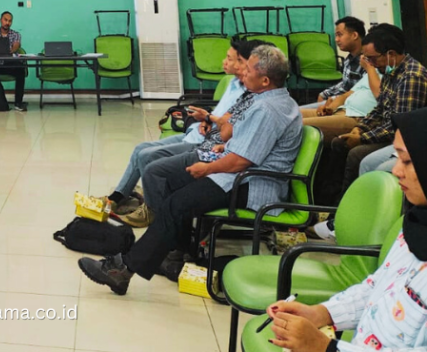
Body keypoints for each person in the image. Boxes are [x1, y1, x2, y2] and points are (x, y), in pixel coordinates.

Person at [78, 45, 302, 295]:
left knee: (176, 203)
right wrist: (221, 147)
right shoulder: (272, 99)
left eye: (248, 70)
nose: (242, 72)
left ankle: (123, 270)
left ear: (265, 79)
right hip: (238, 172)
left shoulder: (267, 109)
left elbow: (240, 161)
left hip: (251, 184)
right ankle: (173, 252)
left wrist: (207, 168)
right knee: (168, 182)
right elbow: (243, 143)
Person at [262, 107, 427, 352]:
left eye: (407, 161)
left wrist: (325, 348)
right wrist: (321, 313)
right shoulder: (418, 225)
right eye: (397, 158)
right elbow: (378, 287)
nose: (396, 171)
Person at [108, 40, 259, 228]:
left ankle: (152, 209)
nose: (223, 62)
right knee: (141, 149)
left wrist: (210, 119)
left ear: (244, 63)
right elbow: (224, 116)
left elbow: (230, 128)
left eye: (229, 59)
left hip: (208, 142)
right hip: (199, 133)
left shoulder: (251, 94)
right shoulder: (233, 84)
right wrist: (206, 119)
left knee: (148, 157)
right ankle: (119, 197)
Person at [319, 24, 427, 206]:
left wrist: (363, 138)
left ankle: (352, 209)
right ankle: (331, 203)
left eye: (372, 59)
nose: (370, 64)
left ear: (390, 54)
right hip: (387, 132)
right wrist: (359, 129)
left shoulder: (411, 76)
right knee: (339, 143)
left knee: (358, 155)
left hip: (404, 140)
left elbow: (401, 126)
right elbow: (379, 109)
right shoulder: (391, 71)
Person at [305, 16, 368, 107]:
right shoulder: (349, 59)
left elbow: (364, 92)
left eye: (340, 35)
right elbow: (345, 84)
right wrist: (326, 94)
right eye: (336, 35)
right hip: (344, 101)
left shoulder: (367, 61)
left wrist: (335, 99)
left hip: (355, 106)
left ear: (354, 35)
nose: (336, 39)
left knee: (301, 116)